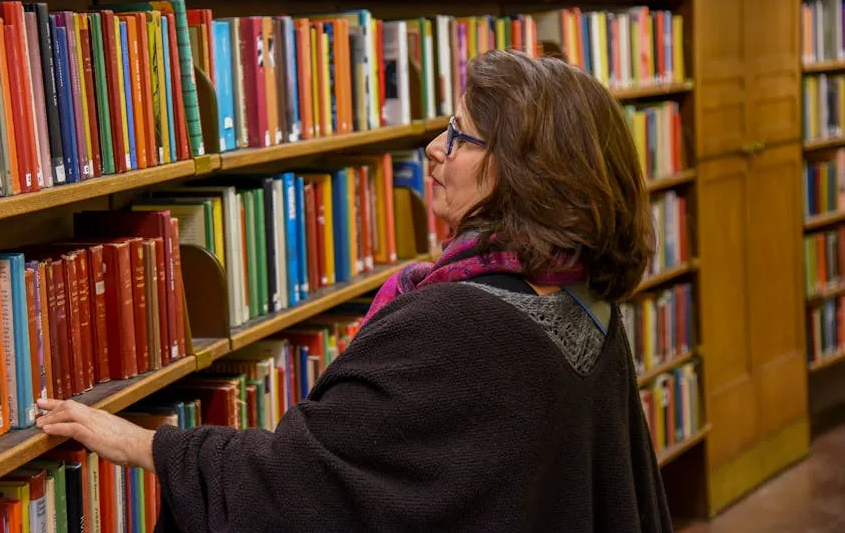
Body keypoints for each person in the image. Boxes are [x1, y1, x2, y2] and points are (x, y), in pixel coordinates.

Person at [36, 50, 673, 532]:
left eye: (458, 136)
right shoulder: (579, 294)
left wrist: (147, 445)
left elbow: (307, 483)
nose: (432, 148)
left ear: (522, 169)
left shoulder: (458, 321)